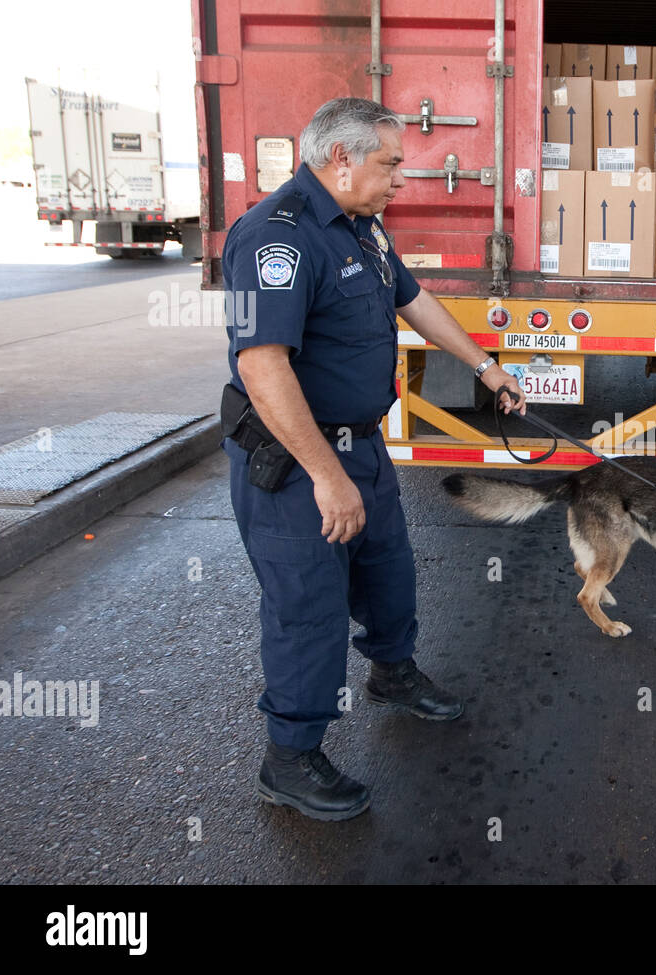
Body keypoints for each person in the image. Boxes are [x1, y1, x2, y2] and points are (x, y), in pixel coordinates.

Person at [221, 97, 526, 821]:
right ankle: (289, 758)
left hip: (362, 446)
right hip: (296, 460)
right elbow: (263, 368)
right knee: (309, 608)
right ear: (342, 159)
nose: (401, 179)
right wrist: (326, 476)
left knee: (389, 571)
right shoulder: (273, 238)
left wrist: (486, 368)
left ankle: (392, 673)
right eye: (391, 164)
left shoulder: (363, 229)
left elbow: (413, 301)